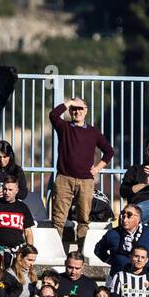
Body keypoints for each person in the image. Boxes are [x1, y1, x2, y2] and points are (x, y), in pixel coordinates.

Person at [48, 97, 115, 249]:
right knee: (58, 219)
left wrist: (98, 168)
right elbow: (53, 115)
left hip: (86, 181)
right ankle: (55, 250)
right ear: (70, 111)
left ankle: (81, 253)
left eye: (80, 108)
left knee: (84, 219)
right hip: (64, 179)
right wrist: (69, 102)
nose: (77, 111)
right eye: (74, 109)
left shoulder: (93, 132)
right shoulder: (64, 127)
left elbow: (109, 152)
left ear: (86, 111)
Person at [95, 205, 149, 275]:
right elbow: (98, 250)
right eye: (123, 215)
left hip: (144, 279)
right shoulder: (112, 234)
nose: (124, 220)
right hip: (118, 278)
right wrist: (112, 261)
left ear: (138, 219)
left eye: (129, 216)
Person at [0, 173, 35, 254]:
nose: (6, 192)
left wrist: (29, 253)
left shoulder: (23, 207)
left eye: (10, 190)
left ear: (16, 191)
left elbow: (28, 232)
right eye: (5, 189)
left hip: (17, 251)